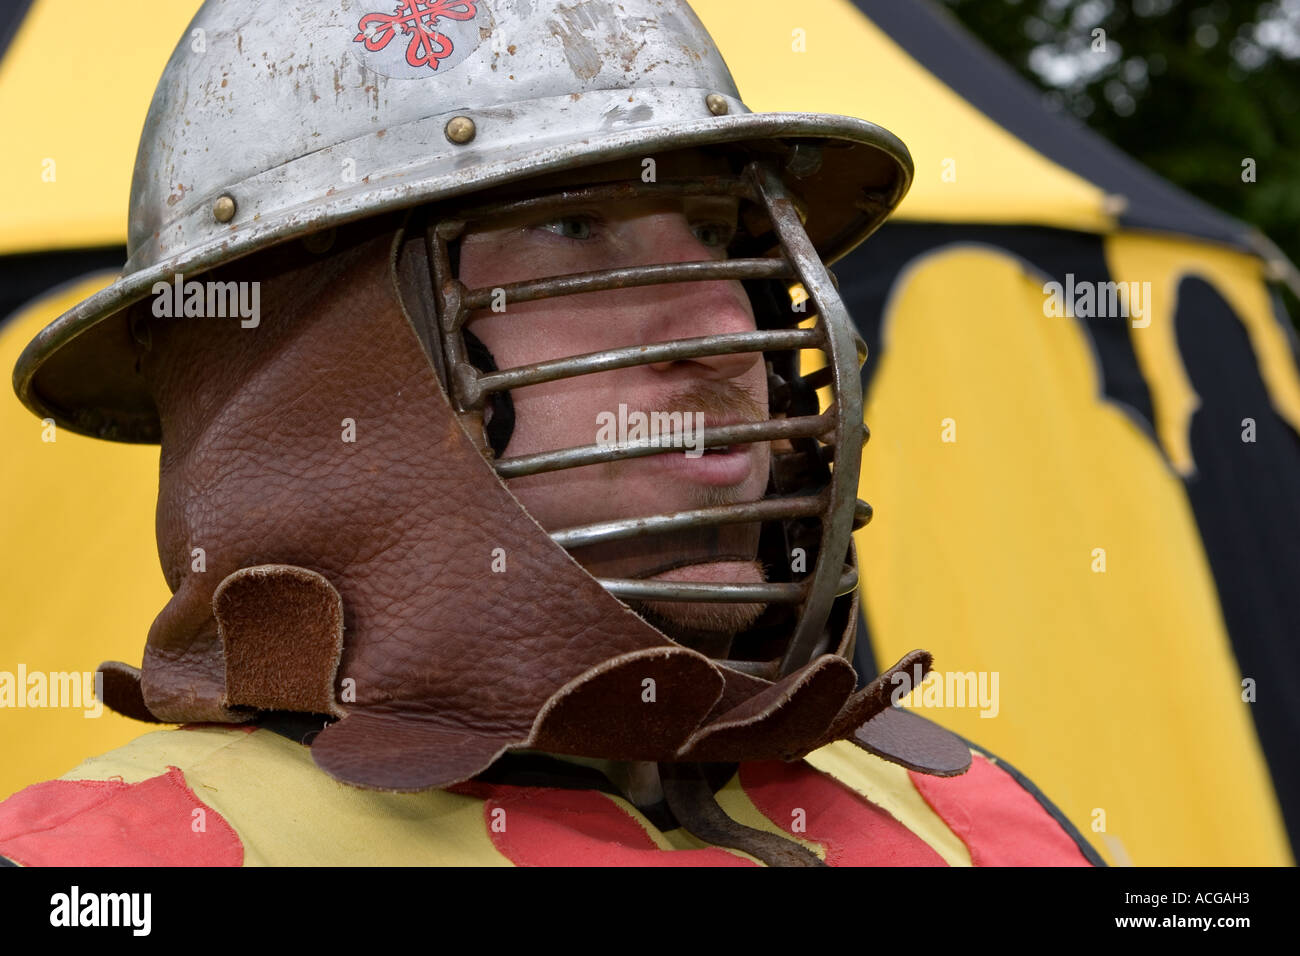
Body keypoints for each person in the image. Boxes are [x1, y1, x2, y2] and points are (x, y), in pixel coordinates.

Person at [0, 0, 1100, 866]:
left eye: (722, 235)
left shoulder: (978, 822)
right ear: (308, 366)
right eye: (570, 230)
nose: (725, 325)